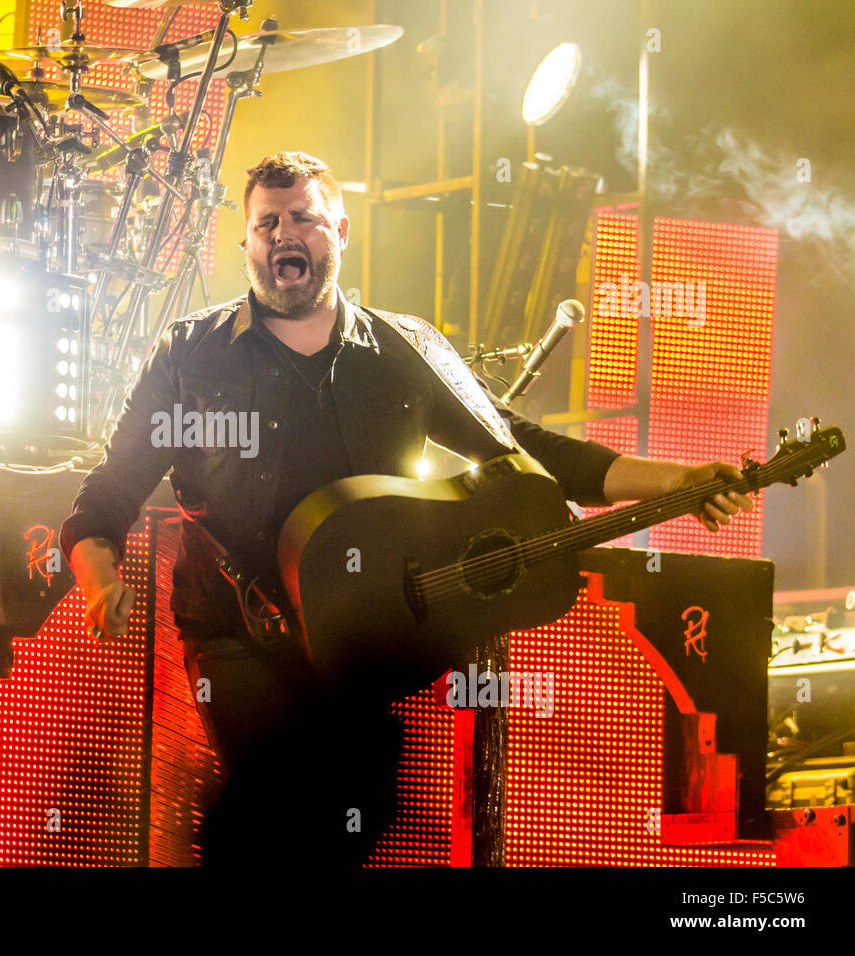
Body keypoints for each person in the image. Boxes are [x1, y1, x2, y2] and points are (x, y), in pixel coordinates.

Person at [60, 151, 753, 865]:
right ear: (248, 246)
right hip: (239, 638)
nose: (282, 234)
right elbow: (106, 494)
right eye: (266, 223)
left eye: (303, 218)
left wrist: (671, 481)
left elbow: (519, 447)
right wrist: (99, 580)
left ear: (342, 230)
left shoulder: (405, 350)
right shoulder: (189, 353)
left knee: (355, 801)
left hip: (367, 646)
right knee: (283, 792)